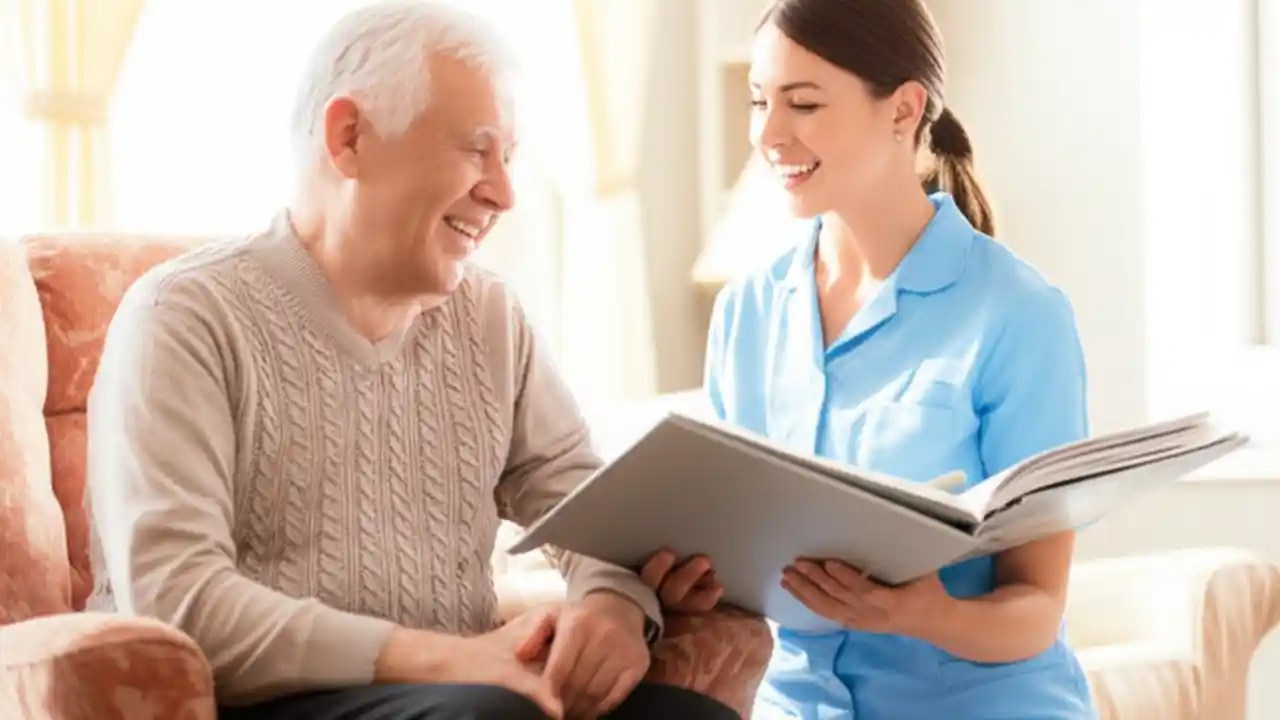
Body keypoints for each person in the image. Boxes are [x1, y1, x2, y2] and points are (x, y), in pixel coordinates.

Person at [83, 2, 736, 719]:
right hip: (262, 703)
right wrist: (457, 657)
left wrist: (612, 605)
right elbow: (182, 602)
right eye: (475, 149)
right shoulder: (184, 319)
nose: (503, 192)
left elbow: (595, 514)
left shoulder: (492, 319)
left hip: (458, 698)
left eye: (509, 157)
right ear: (349, 137)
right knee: (490, 715)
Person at [642, 0, 1099, 718]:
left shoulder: (1019, 314)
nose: (768, 132)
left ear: (903, 109)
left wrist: (918, 613)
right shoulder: (748, 315)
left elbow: (1037, 605)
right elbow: (738, 559)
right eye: (759, 100)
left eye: (804, 103)